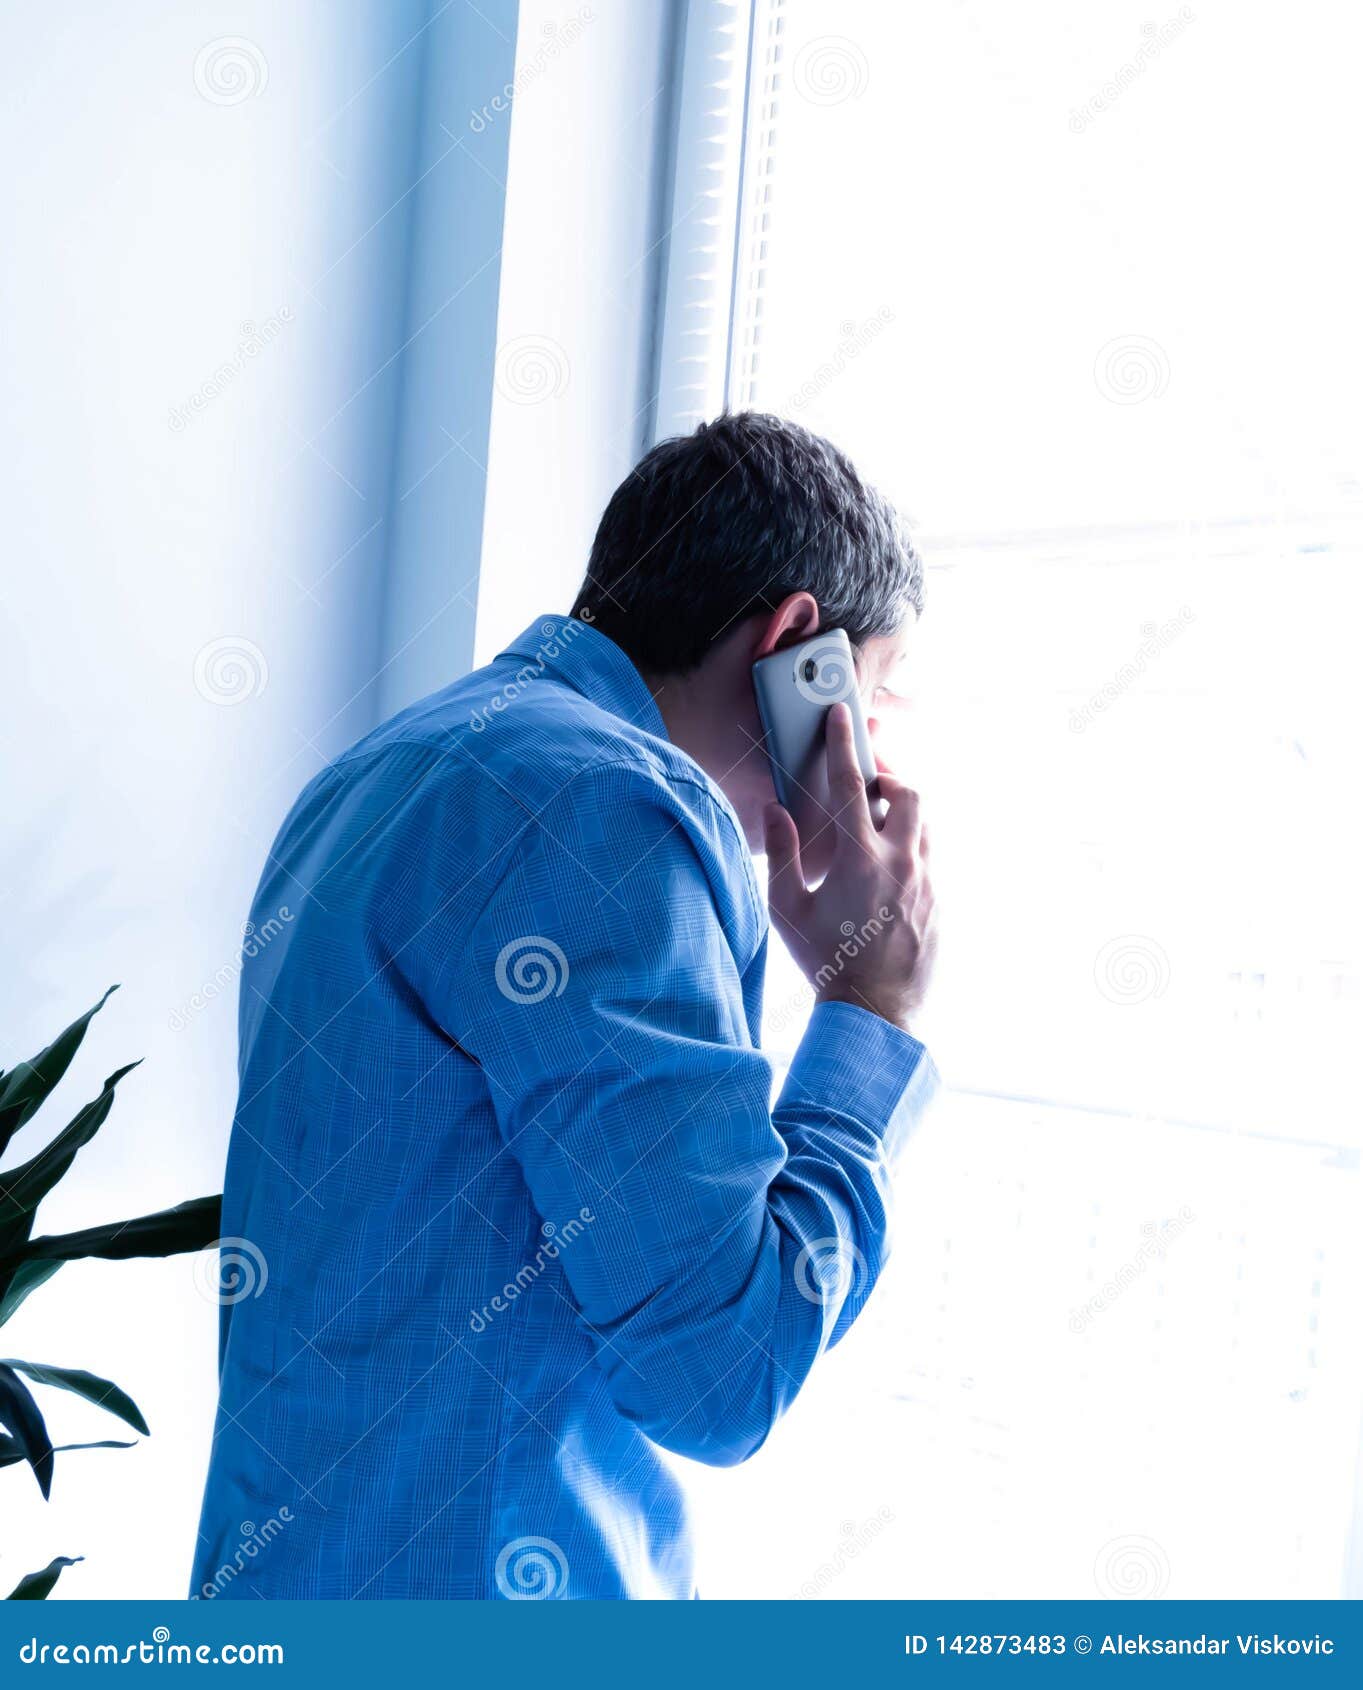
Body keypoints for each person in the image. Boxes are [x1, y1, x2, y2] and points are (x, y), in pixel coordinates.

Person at [191, 411, 938, 1601]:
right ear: (798, 648)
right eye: (872, 690)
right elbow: (719, 1377)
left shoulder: (383, 769)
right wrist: (871, 1004)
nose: (876, 743)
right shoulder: (609, 813)